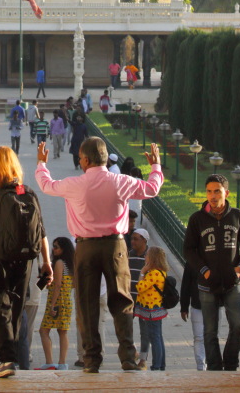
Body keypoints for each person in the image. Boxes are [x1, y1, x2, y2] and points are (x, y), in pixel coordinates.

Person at [35, 136, 164, 374]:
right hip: (115, 246)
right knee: (122, 301)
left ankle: (92, 359)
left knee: (86, 304)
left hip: (85, 248)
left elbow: (46, 185)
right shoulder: (120, 181)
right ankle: (127, 358)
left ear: (84, 159)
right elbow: (152, 189)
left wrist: (42, 163)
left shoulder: (75, 184)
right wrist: (156, 166)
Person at [0, 146, 53, 378]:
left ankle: (6, 360)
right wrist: (45, 262)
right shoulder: (26, 191)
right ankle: (14, 358)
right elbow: (42, 232)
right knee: (17, 308)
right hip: (25, 259)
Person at [183, 173, 240, 372]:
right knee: (210, 331)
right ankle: (214, 368)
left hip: (232, 283)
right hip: (207, 284)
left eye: (217, 192)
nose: (213, 196)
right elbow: (189, 249)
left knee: (237, 325)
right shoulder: (197, 219)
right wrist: (204, 271)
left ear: (226, 193)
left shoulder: (237, 216)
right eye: (209, 192)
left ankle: (230, 364)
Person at [38, 237, 75, 370]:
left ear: (63, 249)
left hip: (57, 301)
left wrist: (52, 305)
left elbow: (58, 284)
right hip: (66, 301)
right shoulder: (70, 264)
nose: (53, 249)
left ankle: (50, 362)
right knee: (62, 332)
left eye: (56, 247)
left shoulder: (59, 263)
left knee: (43, 330)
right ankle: (62, 363)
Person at [134, 246, 169, 371]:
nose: (145, 256)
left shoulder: (153, 273)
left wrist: (142, 272)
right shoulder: (161, 272)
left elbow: (140, 287)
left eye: (147, 255)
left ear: (153, 258)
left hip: (151, 311)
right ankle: (161, 364)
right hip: (156, 309)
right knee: (158, 336)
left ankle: (157, 365)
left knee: (154, 337)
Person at [127, 228, 149, 368]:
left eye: (136, 239)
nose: (133, 241)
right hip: (130, 299)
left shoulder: (150, 257)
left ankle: (143, 360)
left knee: (144, 331)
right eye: (132, 238)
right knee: (126, 327)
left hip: (145, 300)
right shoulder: (129, 255)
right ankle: (132, 351)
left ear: (144, 241)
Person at [180, 262, 206, 371]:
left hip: (214, 305)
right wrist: (184, 307)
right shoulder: (191, 262)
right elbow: (186, 284)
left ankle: (212, 363)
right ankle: (201, 366)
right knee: (199, 337)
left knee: (211, 337)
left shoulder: (215, 257)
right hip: (197, 305)